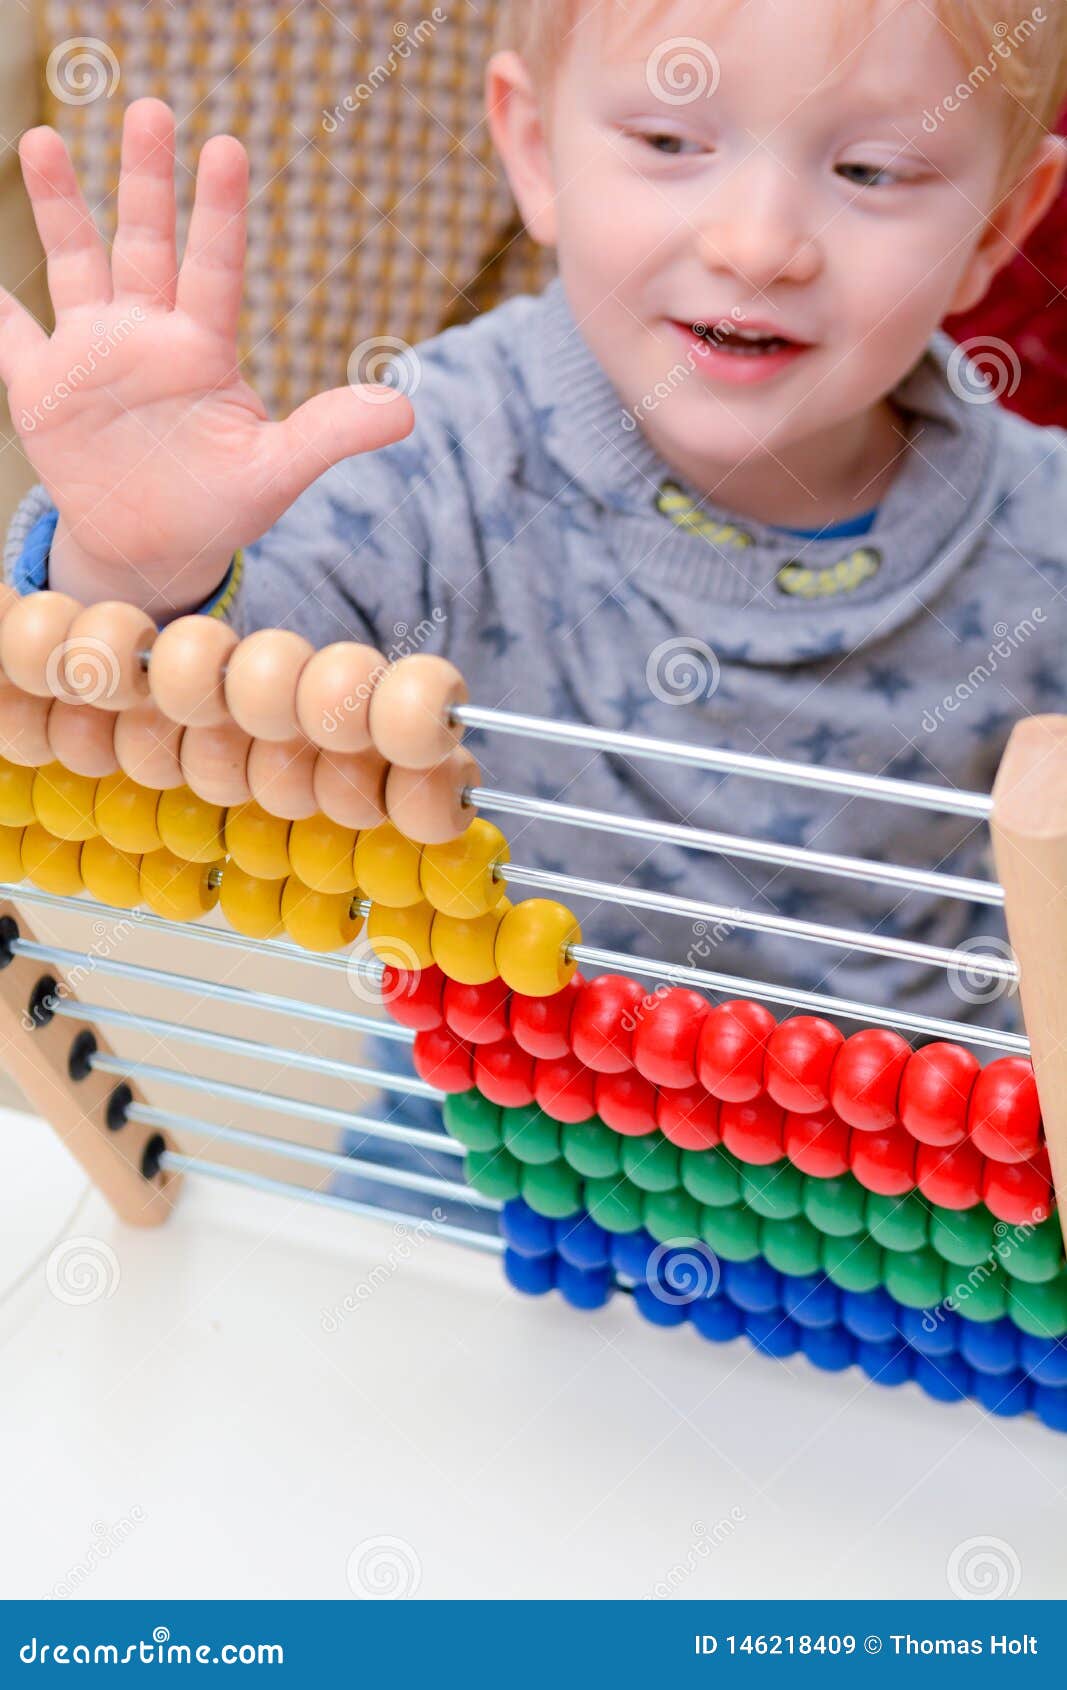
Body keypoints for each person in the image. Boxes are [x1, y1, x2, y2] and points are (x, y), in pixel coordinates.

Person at [2, 0, 1066, 1208]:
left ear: (998, 226)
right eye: (669, 142)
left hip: (910, 1222)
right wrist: (139, 568)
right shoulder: (437, 452)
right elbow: (193, 715)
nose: (758, 244)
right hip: (481, 1178)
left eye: (869, 170)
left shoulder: (1042, 536)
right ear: (533, 149)